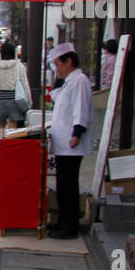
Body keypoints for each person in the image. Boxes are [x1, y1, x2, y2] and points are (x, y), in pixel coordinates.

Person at [46, 42, 93, 239]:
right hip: (63, 141)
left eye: (59, 65)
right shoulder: (70, 81)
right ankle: (62, 222)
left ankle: (69, 226)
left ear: (70, 61)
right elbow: (55, 97)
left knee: (68, 185)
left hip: (71, 141)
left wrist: (77, 133)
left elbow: (80, 109)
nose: (57, 69)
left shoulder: (80, 81)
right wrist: (58, 78)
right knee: (63, 183)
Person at [0, 40, 31, 134]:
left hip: (1, 100)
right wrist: (29, 101)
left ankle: (1, 145)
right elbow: (25, 85)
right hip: (15, 99)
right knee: (13, 127)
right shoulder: (19, 66)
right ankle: (10, 146)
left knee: (1, 126)